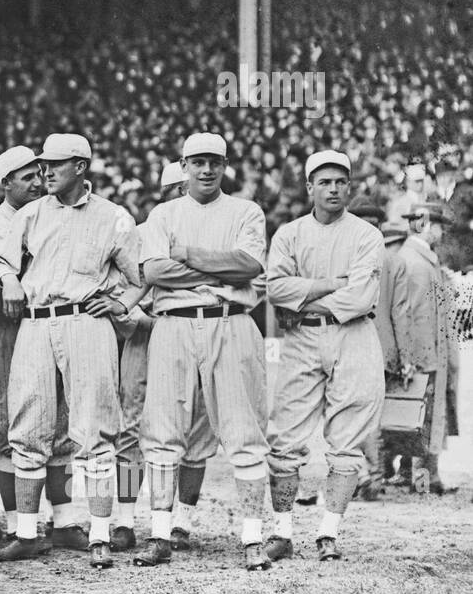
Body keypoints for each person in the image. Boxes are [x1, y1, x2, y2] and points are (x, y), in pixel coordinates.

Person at [0, 134, 139, 568]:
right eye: (42, 165)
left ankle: (99, 534)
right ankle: (25, 533)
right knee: (28, 425)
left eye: (55, 164)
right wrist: (9, 279)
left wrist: (121, 303)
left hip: (86, 321)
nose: (45, 172)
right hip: (35, 322)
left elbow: (141, 273)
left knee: (94, 428)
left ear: (80, 166)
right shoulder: (31, 213)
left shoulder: (113, 216)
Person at [134, 133, 272, 571]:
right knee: (162, 430)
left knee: (243, 430)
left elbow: (250, 265)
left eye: (214, 161)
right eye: (197, 162)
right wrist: (218, 269)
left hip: (231, 323)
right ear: (183, 165)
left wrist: (189, 256)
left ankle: (252, 538)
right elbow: (154, 270)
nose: (206, 170)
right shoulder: (164, 213)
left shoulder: (246, 210)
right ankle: (159, 534)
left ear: (225, 164)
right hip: (173, 326)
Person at [264, 152, 384, 562]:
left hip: (354, 335)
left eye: (340, 182)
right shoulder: (289, 233)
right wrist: (331, 285)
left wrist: (304, 296)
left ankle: (328, 532)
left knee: (347, 439)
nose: (333, 189)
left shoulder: (367, 235)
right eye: (325, 181)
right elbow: (275, 289)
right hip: (301, 340)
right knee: (284, 438)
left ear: (349, 187)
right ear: (310, 187)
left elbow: (361, 296)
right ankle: (281, 532)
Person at [112, 159, 218, 552]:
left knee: (197, 425)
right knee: (131, 429)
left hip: (200, 334)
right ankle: (124, 520)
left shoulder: (214, 229)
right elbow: (119, 294)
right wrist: (148, 321)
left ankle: (181, 522)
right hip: (147, 335)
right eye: (177, 191)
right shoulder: (140, 234)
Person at [0, 145, 43, 544]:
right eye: (27, 177)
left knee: (43, 420)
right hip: (4, 326)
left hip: (37, 324)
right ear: (6, 183)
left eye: (39, 174)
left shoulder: (44, 213)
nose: (37, 182)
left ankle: (51, 517)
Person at [384, 202, 456, 494]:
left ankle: (417, 476)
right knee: (420, 420)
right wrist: (410, 357)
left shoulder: (417, 258)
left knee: (421, 419)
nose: (440, 232)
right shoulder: (414, 261)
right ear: (424, 224)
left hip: (426, 352)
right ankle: (422, 479)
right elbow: (406, 313)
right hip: (423, 355)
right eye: (437, 225)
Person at [345, 195, 408, 500]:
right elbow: (401, 313)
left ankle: (359, 474)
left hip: (346, 344)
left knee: (346, 414)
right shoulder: (394, 261)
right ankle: (373, 474)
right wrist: (404, 356)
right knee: (374, 417)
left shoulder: (342, 256)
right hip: (382, 348)